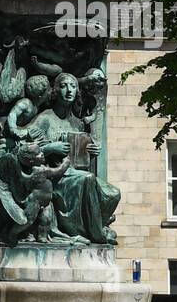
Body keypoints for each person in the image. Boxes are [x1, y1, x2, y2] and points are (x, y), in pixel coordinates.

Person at [28, 72, 120, 244]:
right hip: (55, 176)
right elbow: (25, 149)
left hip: (76, 174)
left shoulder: (77, 123)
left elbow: (82, 156)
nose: (68, 90)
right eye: (63, 86)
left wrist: (92, 151)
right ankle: (97, 234)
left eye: (72, 86)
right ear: (55, 91)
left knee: (113, 194)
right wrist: (50, 148)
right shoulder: (45, 118)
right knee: (88, 179)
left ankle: (88, 225)